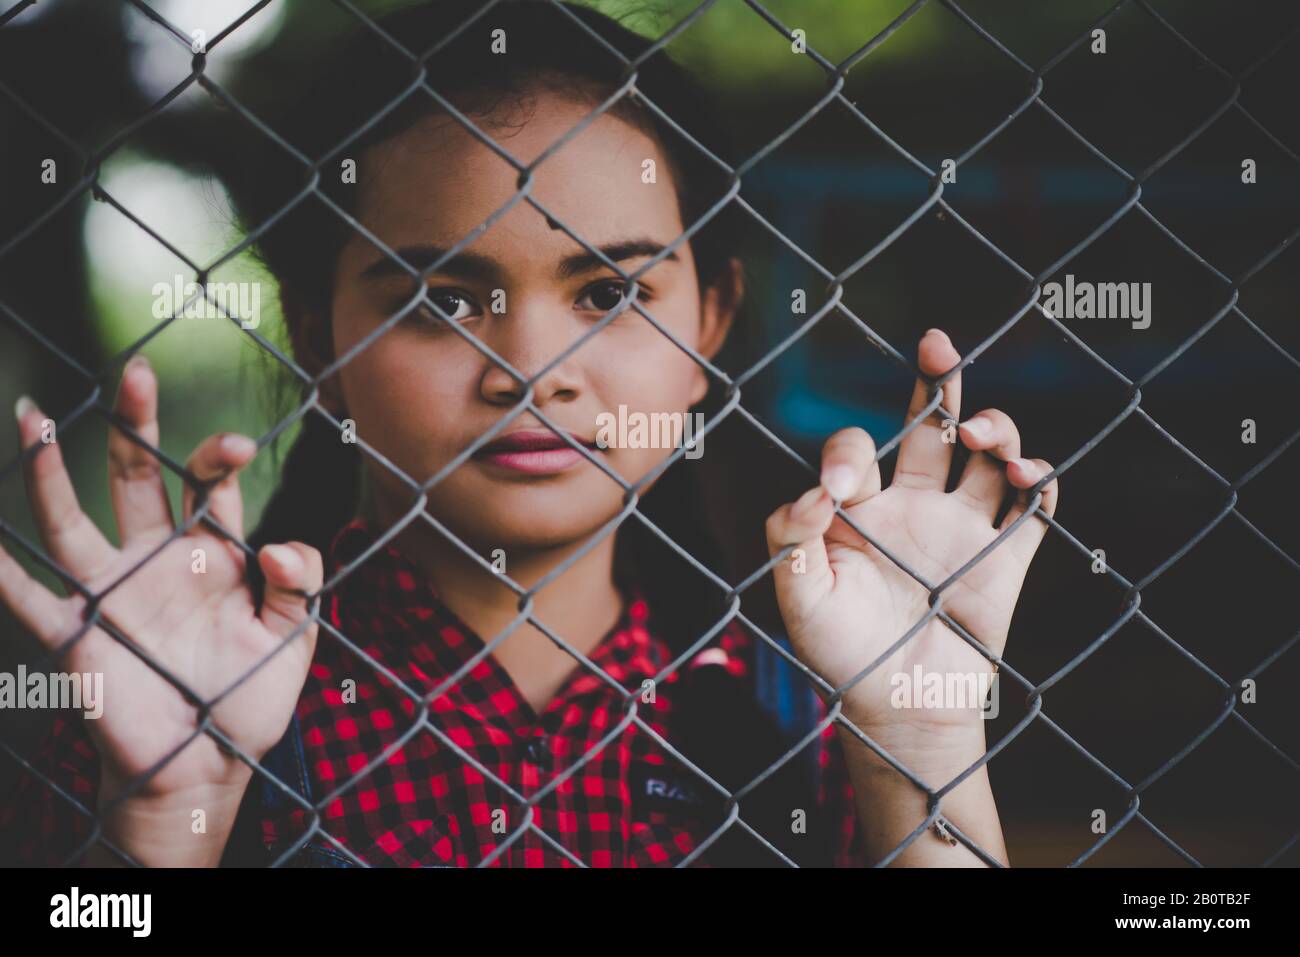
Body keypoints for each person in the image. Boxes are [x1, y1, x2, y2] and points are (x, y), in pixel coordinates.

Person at [0, 0, 1058, 867]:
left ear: (710, 327)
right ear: (320, 344)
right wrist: (156, 822)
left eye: (609, 291)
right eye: (442, 299)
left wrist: (922, 745)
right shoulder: (174, 699)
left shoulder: (798, 718)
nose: (534, 371)